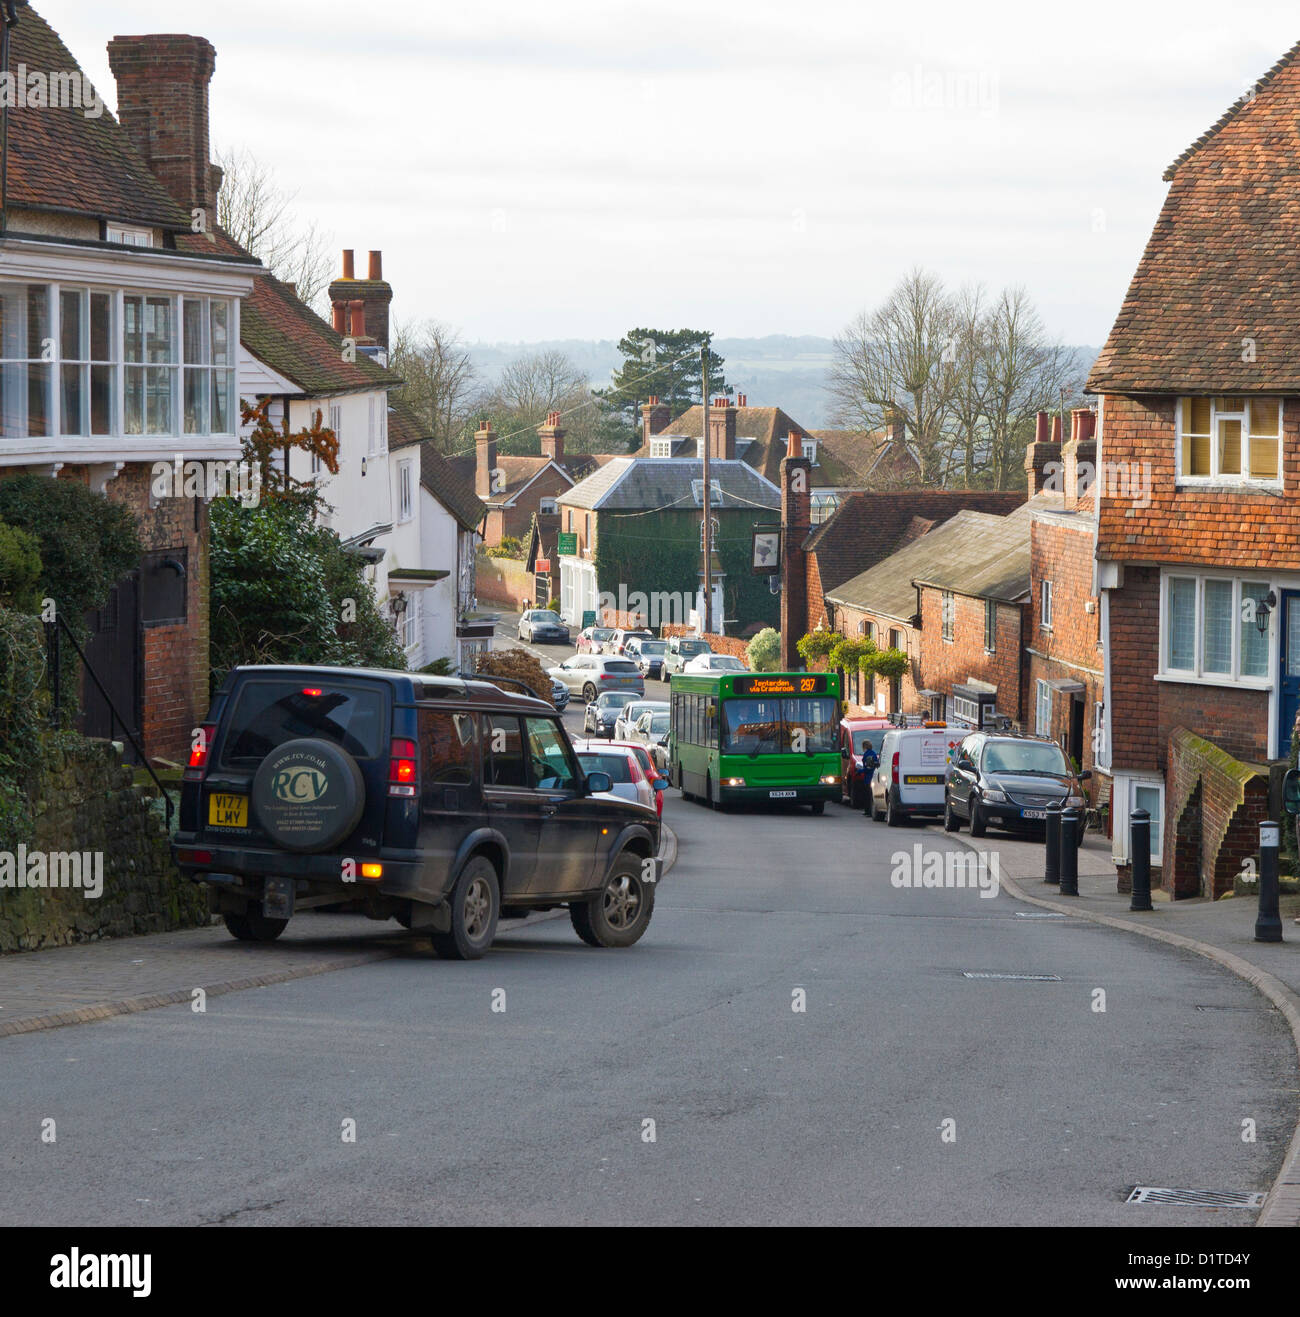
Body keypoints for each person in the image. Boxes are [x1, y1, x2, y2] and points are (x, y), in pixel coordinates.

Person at [860, 739, 880, 815]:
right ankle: (869, 811)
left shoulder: (867, 755)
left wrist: (859, 771)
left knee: (867, 795)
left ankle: (868, 811)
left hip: (868, 778)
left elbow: (867, 768)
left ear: (864, 746)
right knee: (870, 795)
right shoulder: (874, 753)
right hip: (873, 777)